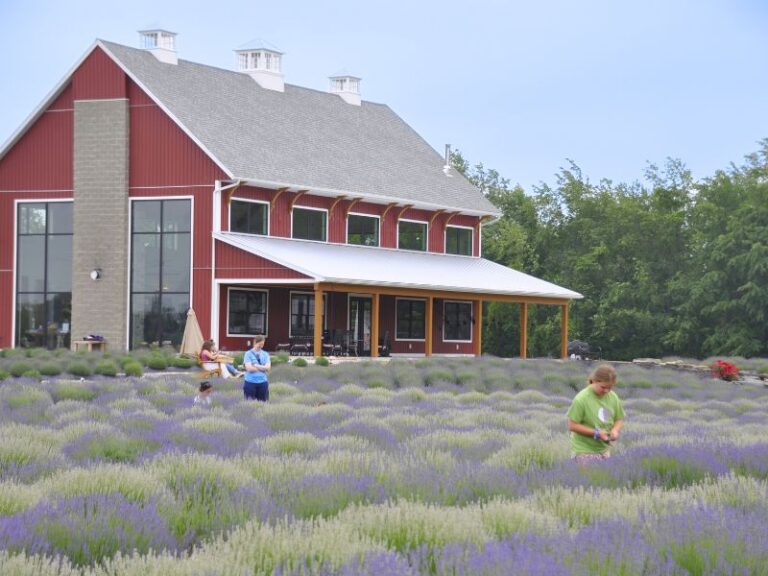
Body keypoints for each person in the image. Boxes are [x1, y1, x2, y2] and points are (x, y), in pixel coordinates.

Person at [566, 364, 625, 463]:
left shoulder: (613, 397)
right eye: (603, 387)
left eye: (610, 388)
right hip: (584, 451)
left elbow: (619, 419)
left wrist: (615, 431)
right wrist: (596, 433)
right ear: (594, 381)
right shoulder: (581, 399)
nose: (606, 391)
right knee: (590, 478)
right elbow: (572, 426)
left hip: (604, 450)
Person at [243, 335, 270, 401]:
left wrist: (256, 365)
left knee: (263, 404)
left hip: (263, 382)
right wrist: (263, 368)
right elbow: (249, 369)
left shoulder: (265, 354)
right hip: (250, 382)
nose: (261, 346)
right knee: (249, 404)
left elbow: (268, 368)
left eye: (262, 344)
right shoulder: (248, 354)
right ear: (255, 342)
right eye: (260, 344)